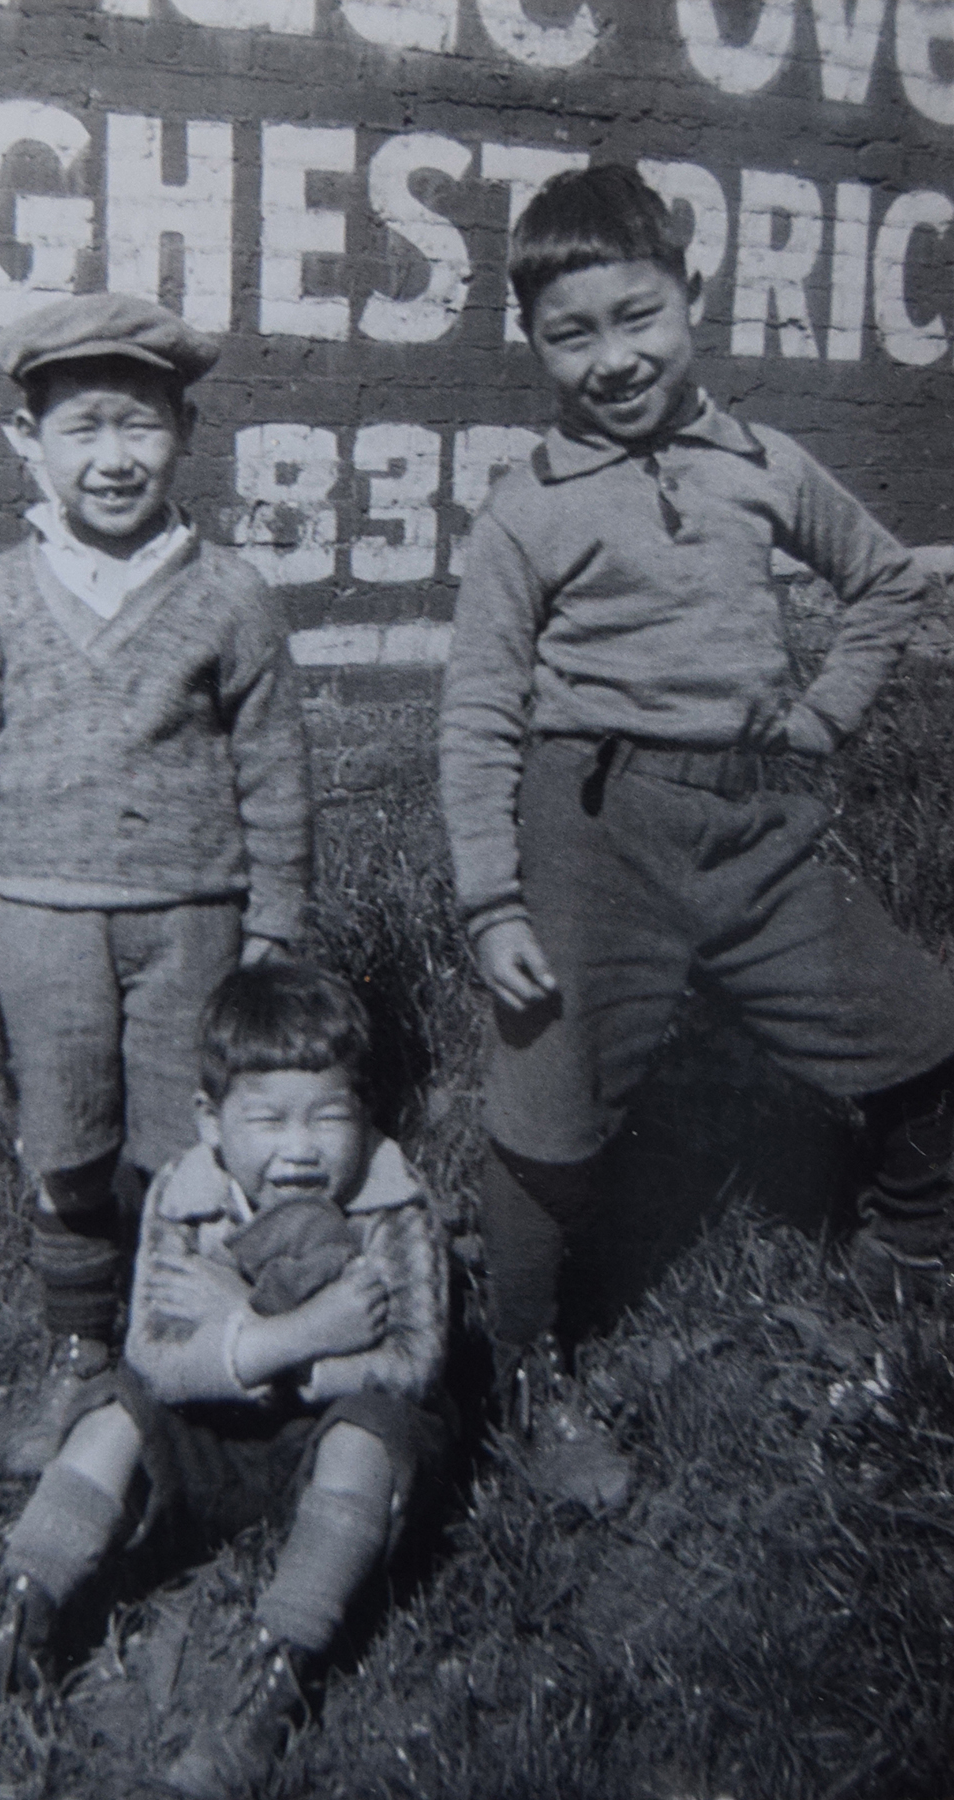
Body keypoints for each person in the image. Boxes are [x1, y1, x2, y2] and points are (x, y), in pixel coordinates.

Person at [438, 164, 954, 1491]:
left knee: (920, 1029)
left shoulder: (757, 464)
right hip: (589, 826)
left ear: (691, 300)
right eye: (571, 334)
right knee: (542, 1103)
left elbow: (882, 580)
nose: (610, 359)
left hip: (747, 820)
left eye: (635, 317)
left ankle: (901, 1255)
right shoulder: (527, 508)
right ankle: (524, 1386)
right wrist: (490, 898)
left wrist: (823, 717)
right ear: (532, 343)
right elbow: (480, 711)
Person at [0, 295, 312, 1473]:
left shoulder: (229, 593)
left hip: (193, 919)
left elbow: (276, 775)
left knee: (172, 1151)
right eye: (81, 429)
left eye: (139, 427)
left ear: (184, 433)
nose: (113, 458)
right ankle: (80, 1357)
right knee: (68, 1144)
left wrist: (273, 928)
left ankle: (169, 1343)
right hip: (42, 924)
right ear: (23, 442)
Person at [0, 963, 451, 1799]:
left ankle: (274, 1681)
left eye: (328, 1118)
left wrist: (234, 1330)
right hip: (214, 1443)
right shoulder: (184, 1196)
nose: (300, 1149)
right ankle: (14, 1623)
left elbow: (411, 1362)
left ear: (362, 1114)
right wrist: (294, 1334)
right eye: (267, 1120)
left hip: (329, 1455)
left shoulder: (392, 1199)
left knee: (371, 1433)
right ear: (211, 1121)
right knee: (115, 1410)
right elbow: (156, 1356)